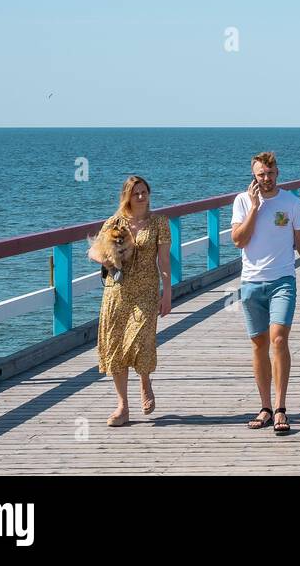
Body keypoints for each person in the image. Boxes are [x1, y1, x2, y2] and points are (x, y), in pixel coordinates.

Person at [231, 152, 300, 435]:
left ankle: (281, 407)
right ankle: (265, 407)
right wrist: (255, 208)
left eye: (270, 173)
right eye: (260, 174)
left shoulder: (292, 203)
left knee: (279, 338)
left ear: (278, 173)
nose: (266, 179)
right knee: (259, 343)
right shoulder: (242, 201)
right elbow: (238, 240)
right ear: (254, 175)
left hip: (283, 280)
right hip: (250, 283)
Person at [94, 175, 172, 427]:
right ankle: (122, 406)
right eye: (135, 193)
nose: (141, 196)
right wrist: (106, 259)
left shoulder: (159, 222)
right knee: (115, 346)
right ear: (127, 196)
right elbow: (93, 250)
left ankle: (145, 379)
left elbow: (164, 261)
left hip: (147, 290)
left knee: (139, 340)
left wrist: (168, 291)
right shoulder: (115, 222)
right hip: (117, 291)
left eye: (144, 192)